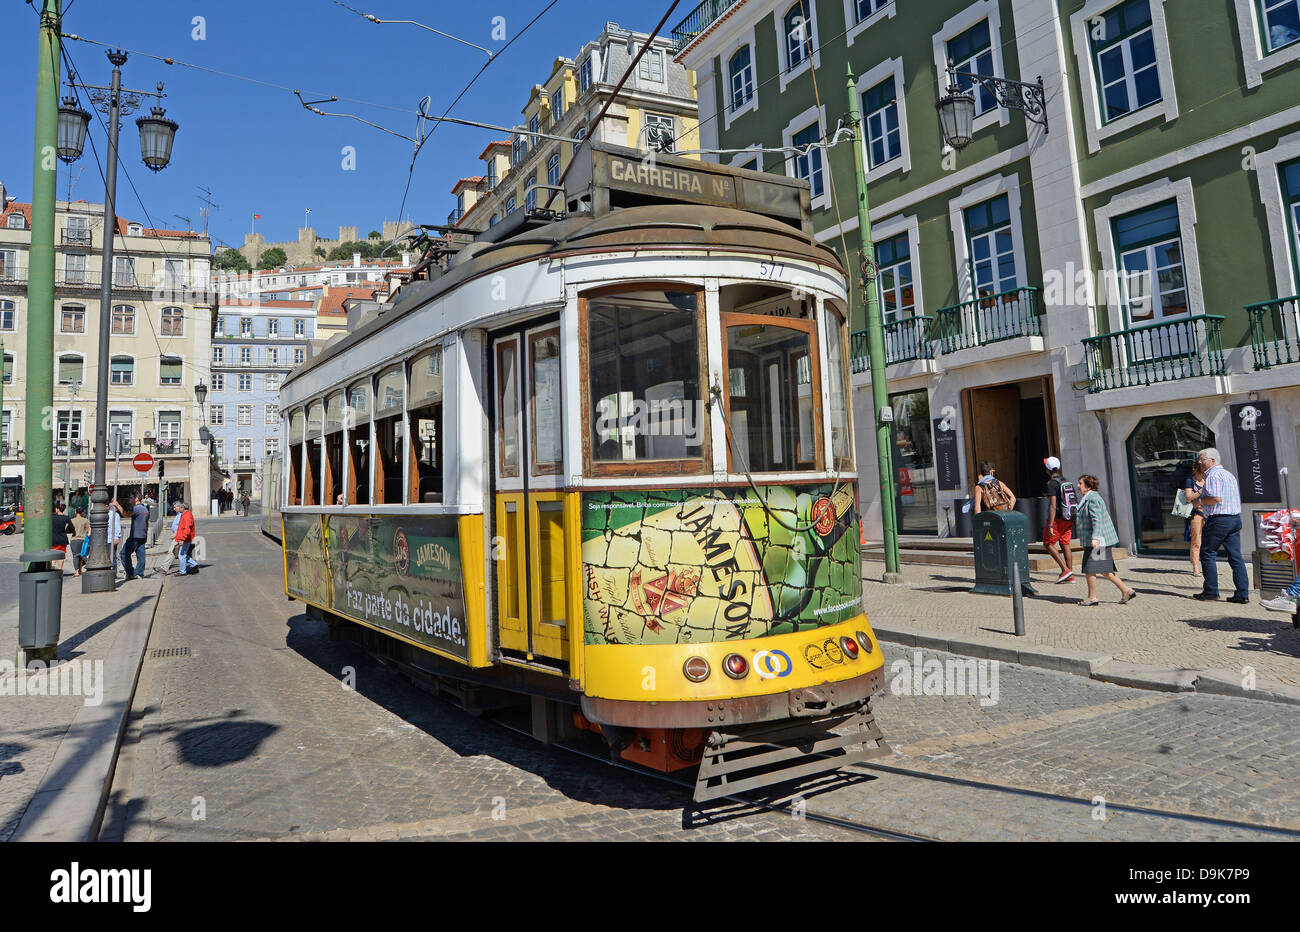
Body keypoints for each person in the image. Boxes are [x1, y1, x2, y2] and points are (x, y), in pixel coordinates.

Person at [1193, 448, 1249, 603]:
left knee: (1208, 553)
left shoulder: (1213, 475)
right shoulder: (1229, 475)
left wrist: (1200, 502)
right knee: (1236, 557)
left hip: (1219, 520)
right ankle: (1243, 593)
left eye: (1202, 459)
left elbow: (1215, 498)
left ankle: (1211, 591)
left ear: (1212, 460)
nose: (1199, 462)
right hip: (1235, 519)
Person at [1074, 474, 1137, 606]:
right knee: (1104, 569)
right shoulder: (1089, 498)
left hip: (1097, 541)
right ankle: (1126, 591)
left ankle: (1092, 597)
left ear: (1088, 486)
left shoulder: (1092, 499)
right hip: (1097, 541)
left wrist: (1096, 538)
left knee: (1089, 568)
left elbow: (1097, 520)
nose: (1078, 486)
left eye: (1080, 483)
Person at [1042, 456, 1076, 583]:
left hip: (1058, 519)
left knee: (1048, 543)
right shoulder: (1065, 481)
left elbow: (1053, 505)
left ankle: (1065, 570)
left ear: (1047, 469)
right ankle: (1070, 575)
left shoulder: (1051, 484)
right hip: (1069, 517)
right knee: (1065, 543)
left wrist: (1050, 525)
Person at [1181, 462, 1207, 577]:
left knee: (1209, 541)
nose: (1203, 472)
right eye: (1201, 470)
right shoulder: (1190, 481)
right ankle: (1196, 567)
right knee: (1196, 541)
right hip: (1196, 514)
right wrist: (1201, 491)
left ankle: (1208, 566)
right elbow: (1188, 497)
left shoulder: (1207, 479)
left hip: (1209, 515)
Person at [123, 493, 150, 580]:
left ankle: (131, 573)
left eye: (131, 498)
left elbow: (126, 515)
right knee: (141, 556)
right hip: (142, 536)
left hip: (135, 536)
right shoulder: (145, 509)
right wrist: (146, 534)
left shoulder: (136, 509)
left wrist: (118, 506)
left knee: (124, 553)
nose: (130, 500)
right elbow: (147, 523)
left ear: (137, 499)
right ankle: (139, 573)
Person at [50, 501, 75, 572]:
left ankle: (52, 568)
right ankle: (60, 570)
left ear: (57, 509)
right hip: (62, 538)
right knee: (61, 555)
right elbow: (72, 527)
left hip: (53, 538)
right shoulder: (66, 518)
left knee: (52, 554)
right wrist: (67, 531)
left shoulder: (51, 517)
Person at [175, 501, 198, 575]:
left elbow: (187, 529)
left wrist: (182, 539)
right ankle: (193, 564)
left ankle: (182, 571)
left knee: (181, 555)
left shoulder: (187, 516)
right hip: (184, 538)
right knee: (182, 554)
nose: (179, 508)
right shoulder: (185, 514)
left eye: (180, 507)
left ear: (183, 508)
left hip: (185, 539)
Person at [69, 506, 91, 576]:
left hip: (74, 539)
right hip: (83, 540)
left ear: (75, 512)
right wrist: (88, 535)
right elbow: (89, 530)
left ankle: (77, 572)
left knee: (75, 556)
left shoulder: (72, 520)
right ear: (83, 512)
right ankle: (90, 567)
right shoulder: (85, 520)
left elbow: (68, 530)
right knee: (83, 555)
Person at [108, 500, 124, 577]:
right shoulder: (104, 514)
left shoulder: (115, 515)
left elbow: (117, 527)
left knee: (112, 557)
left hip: (111, 539)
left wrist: (117, 537)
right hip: (106, 539)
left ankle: (113, 573)